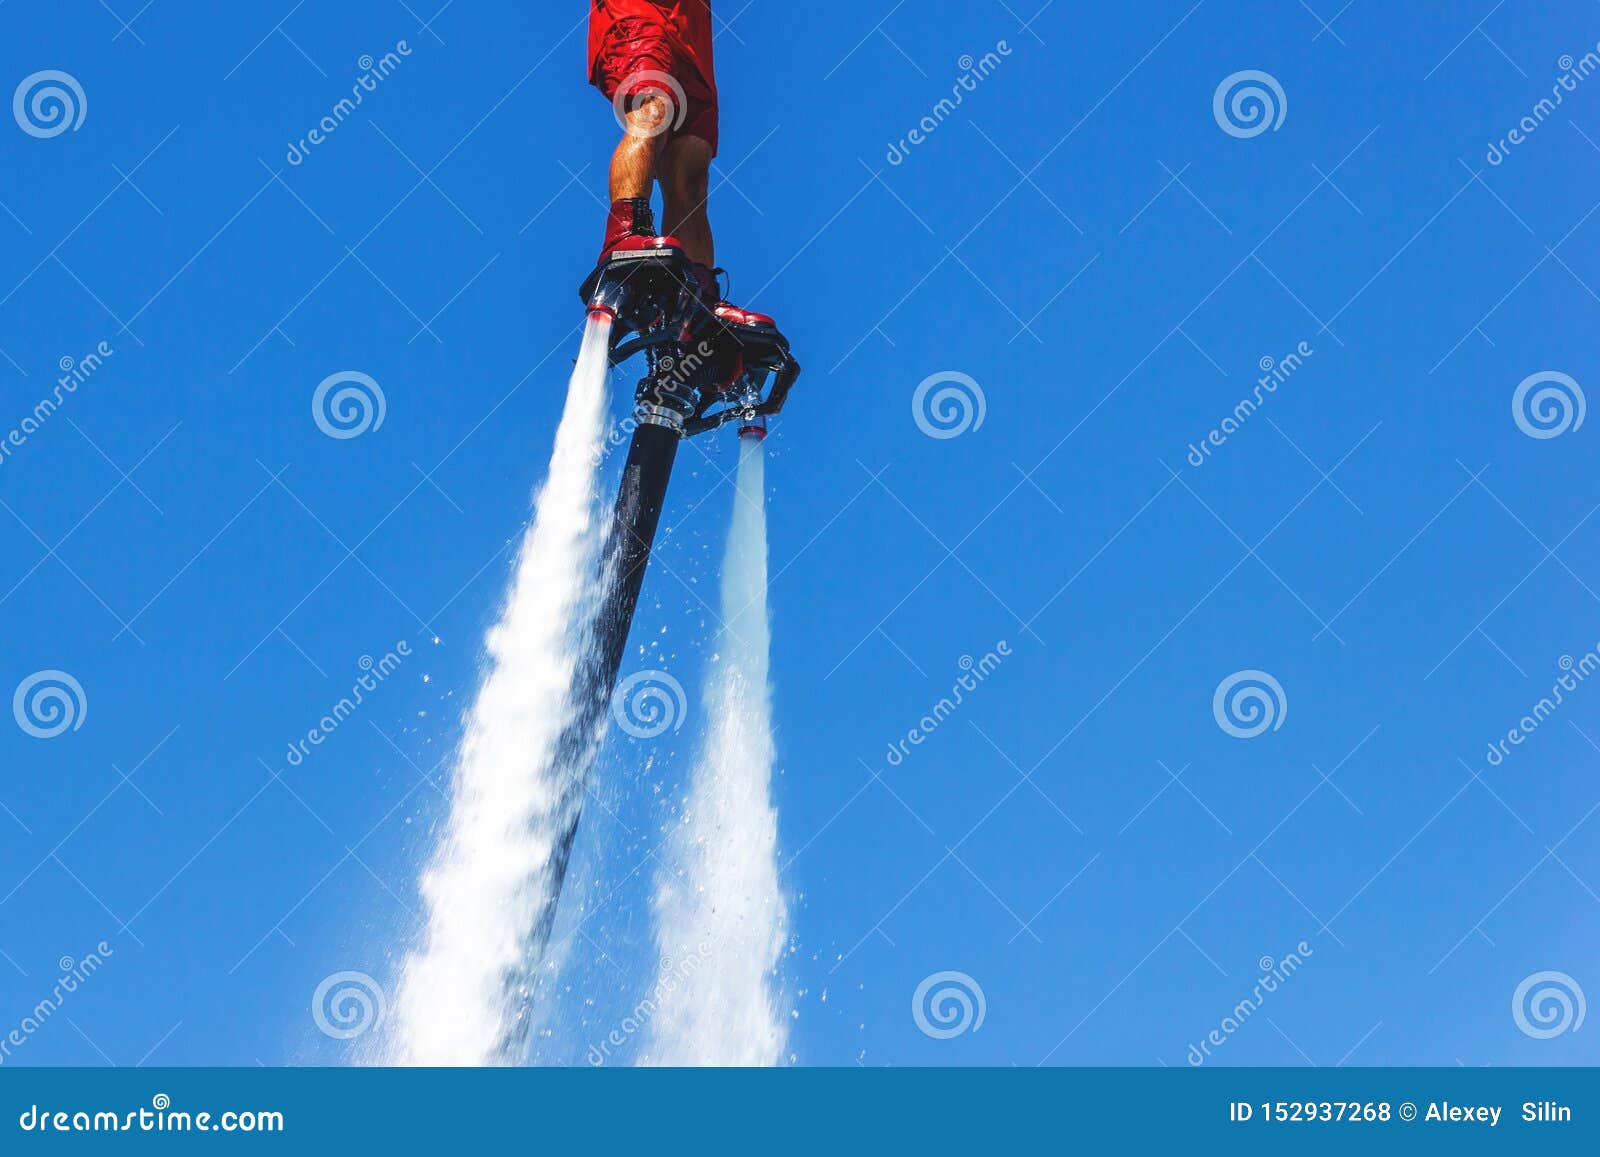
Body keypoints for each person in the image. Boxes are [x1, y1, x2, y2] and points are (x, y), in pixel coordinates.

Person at [587, 0, 770, 328]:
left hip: (691, 32)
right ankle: (624, 237)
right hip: (637, 13)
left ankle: (696, 298)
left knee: (692, 166)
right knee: (653, 108)